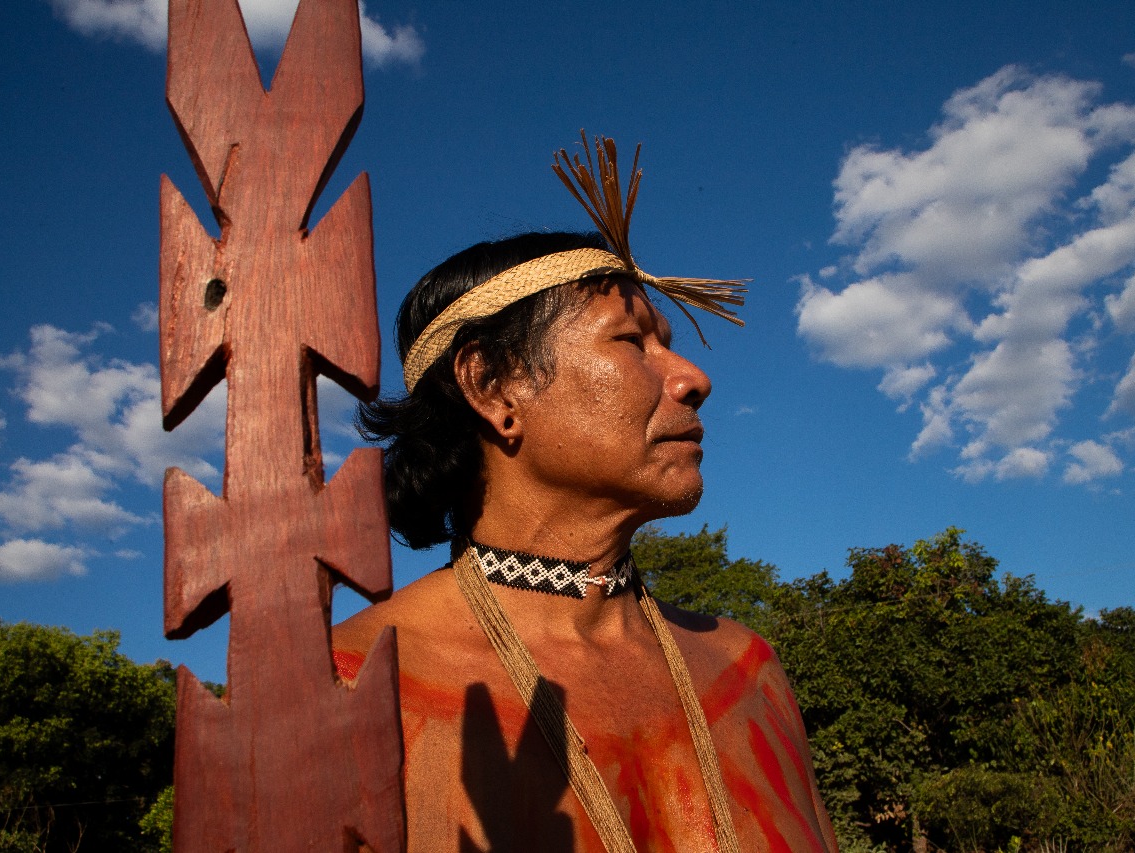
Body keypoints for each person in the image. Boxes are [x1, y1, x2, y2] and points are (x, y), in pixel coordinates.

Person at [332, 138, 837, 852]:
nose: (693, 377)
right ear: (494, 387)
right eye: (632, 341)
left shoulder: (748, 670)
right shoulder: (355, 687)